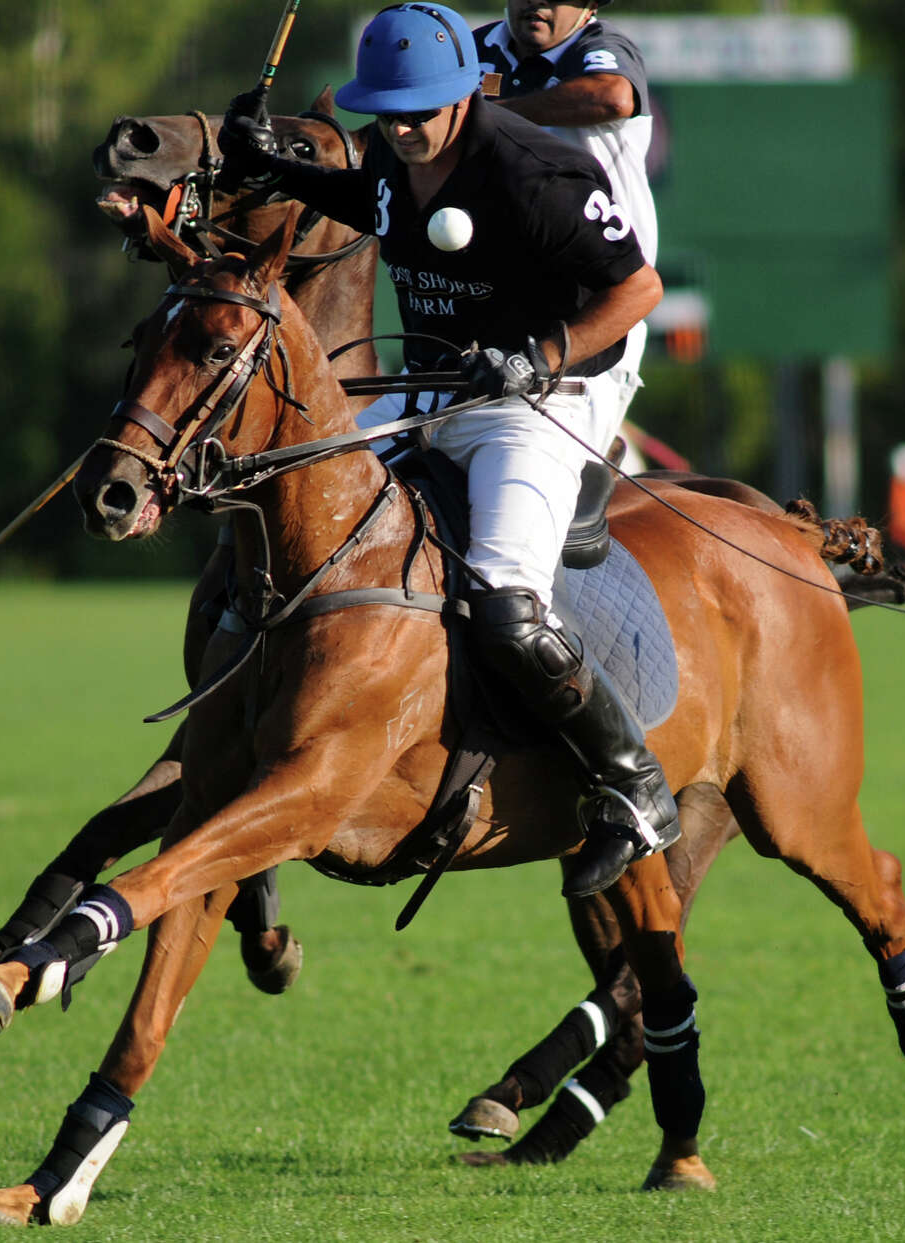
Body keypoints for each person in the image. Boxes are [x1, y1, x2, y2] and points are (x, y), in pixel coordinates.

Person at [220, 2, 677, 897]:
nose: (399, 128)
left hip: (535, 405)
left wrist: (538, 354)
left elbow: (639, 289)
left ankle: (634, 782)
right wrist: (266, 160)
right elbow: (365, 198)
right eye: (385, 112)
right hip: (433, 394)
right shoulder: (399, 146)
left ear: (466, 97)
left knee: (506, 602)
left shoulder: (536, 171)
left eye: (417, 112)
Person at [475, 1, 659, 451]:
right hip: (486, 304)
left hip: (595, 310)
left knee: (552, 469)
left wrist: (496, 114)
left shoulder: (601, 47)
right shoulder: (472, 48)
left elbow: (612, 96)